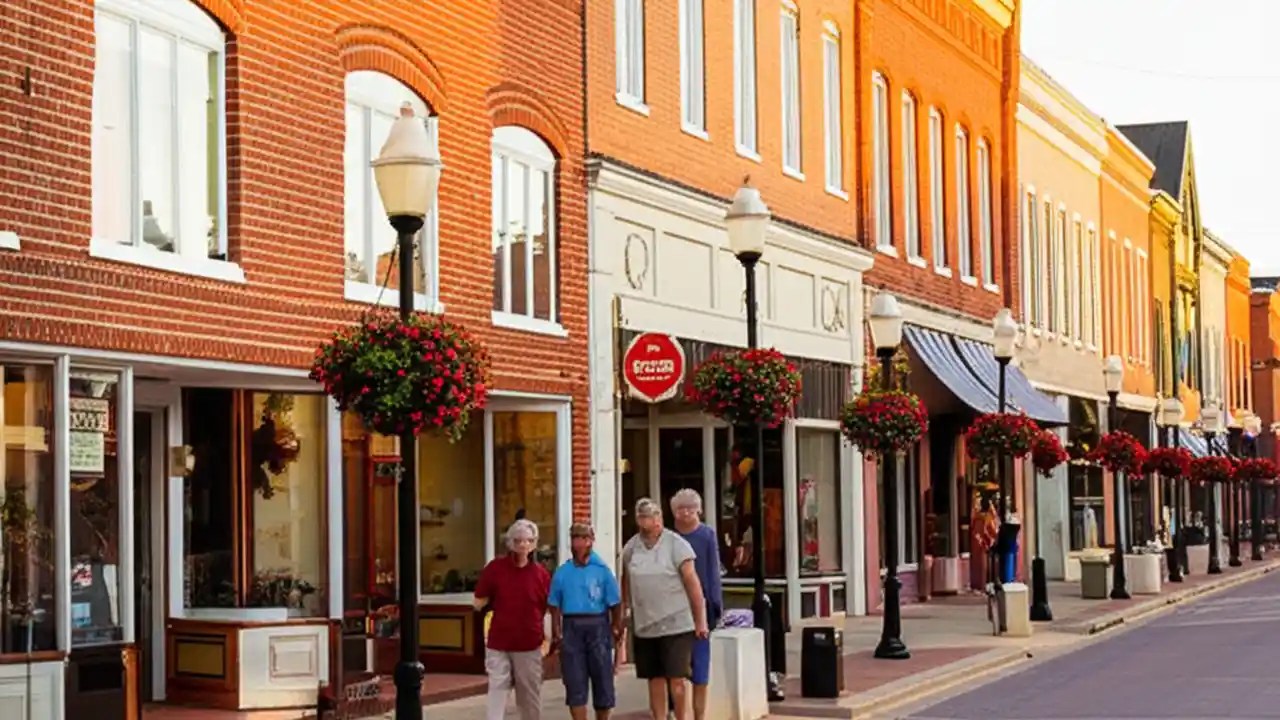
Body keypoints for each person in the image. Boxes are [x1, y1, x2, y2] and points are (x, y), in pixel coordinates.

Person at [621, 498, 709, 720]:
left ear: (659, 518)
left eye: (649, 516)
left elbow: (693, 584)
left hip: (676, 623)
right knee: (654, 678)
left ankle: (682, 717)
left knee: (677, 678)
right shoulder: (632, 547)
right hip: (645, 625)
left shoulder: (676, 544)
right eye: (641, 517)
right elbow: (625, 582)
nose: (645, 521)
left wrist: (701, 620)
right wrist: (624, 613)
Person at [474, 519, 552, 720]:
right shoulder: (495, 569)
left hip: (529, 643)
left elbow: (547, 609)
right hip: (499, 641)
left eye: (528, 541)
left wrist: (548, 640)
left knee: (529, 695)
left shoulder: (541, 574)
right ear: (510, 543)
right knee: (498, 688)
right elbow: (479, 601)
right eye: (518, 541)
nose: (523, 545)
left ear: (534, 544)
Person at [549, 522, 623, 720]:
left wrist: (616, 627)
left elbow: (615, 602)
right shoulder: (563, 572)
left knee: (602, 679)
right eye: (576, 538)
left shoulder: (602, 571)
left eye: (584, 538)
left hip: (598, 625)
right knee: (574, 680)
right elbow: (554, 604)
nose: (580, 543)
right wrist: (556, 630)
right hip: (572, 626)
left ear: (591, 541)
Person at [669, 489, 722, 720]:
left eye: (691, 508)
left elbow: (713, 572)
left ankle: (700, 715)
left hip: (702, 609)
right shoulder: (669, 537)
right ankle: (676, 712)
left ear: (699, 509)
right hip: (673, 609)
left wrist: (715, 605)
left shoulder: (707, 535)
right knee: (675, 666)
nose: (686, 512)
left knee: (700, 668)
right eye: (681, 508)